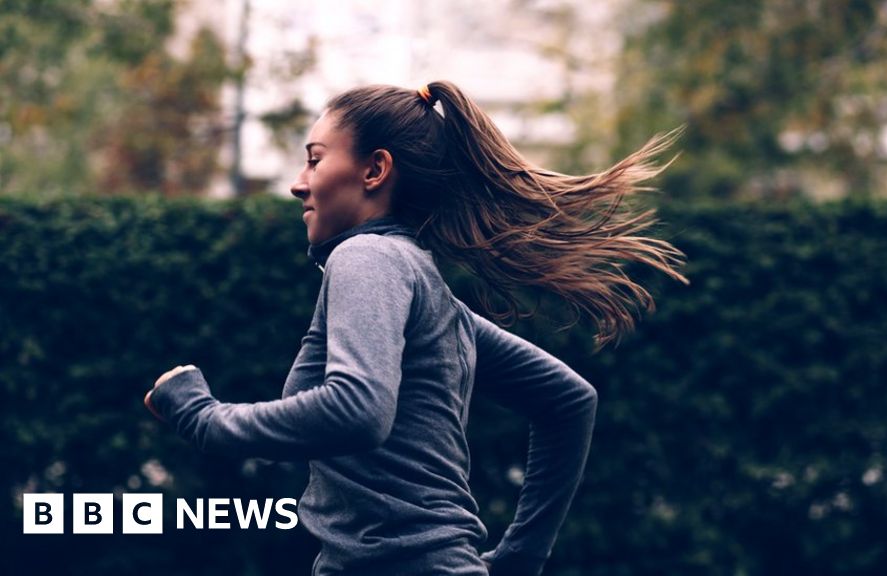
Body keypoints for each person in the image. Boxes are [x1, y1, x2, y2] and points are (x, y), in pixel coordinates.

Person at [144, 81, 689, 576]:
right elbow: (569, 400)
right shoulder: (428, 294)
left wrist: (206, 419)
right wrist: (521, 556)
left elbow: (358, 408)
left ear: (374, 171)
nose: (297, 184)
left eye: (314, 160)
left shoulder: (366, 258)